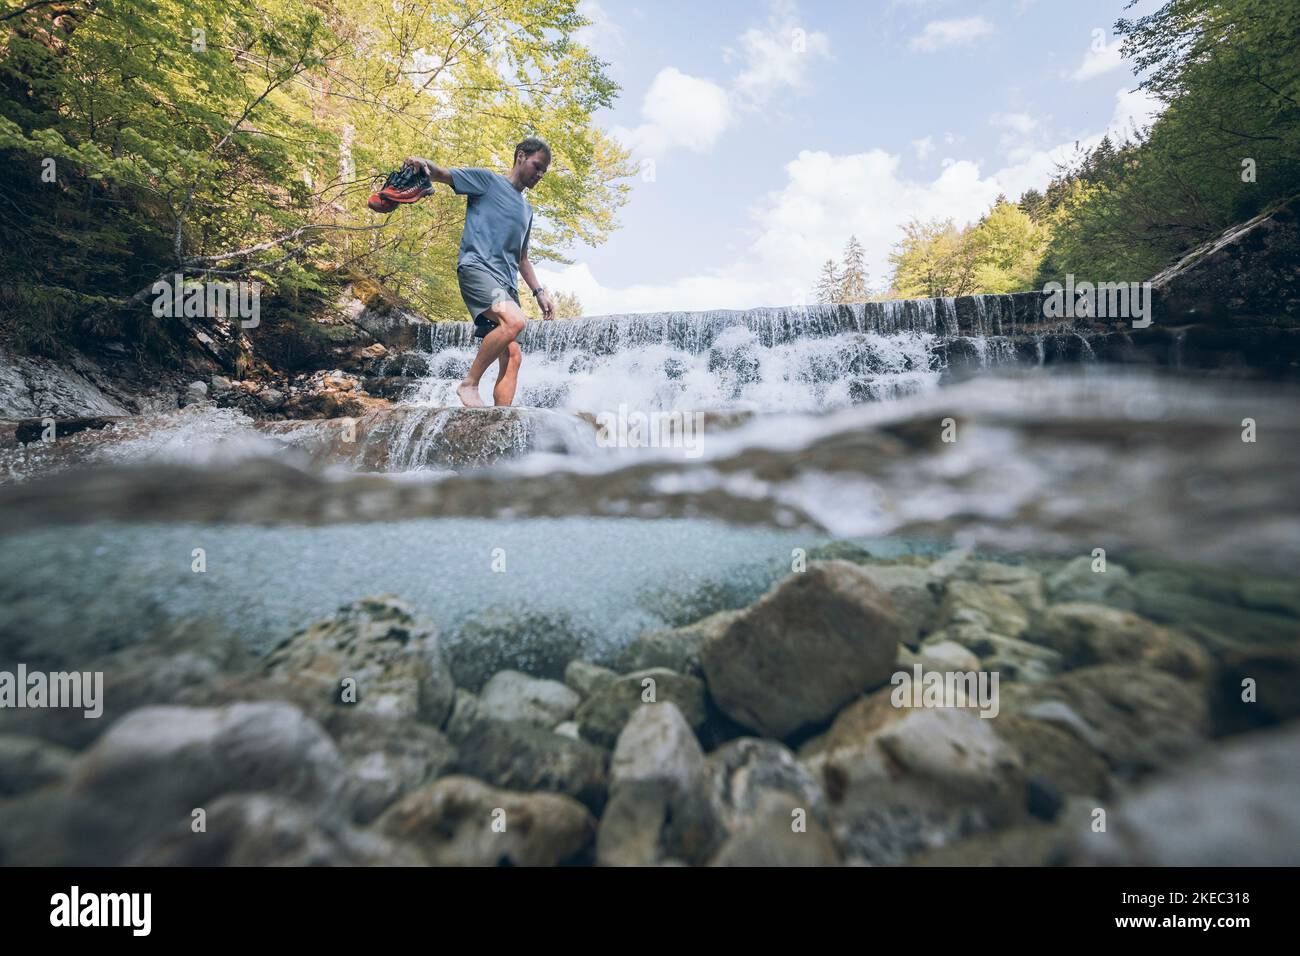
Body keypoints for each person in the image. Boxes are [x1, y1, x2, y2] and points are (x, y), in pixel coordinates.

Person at [404, 137, 555, 407]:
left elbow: (522, 258)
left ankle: (500, 420)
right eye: (537, 166)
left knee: (513, 356)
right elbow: (443, 175)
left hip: (506, 286)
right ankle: (469, 384)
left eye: (545, 171)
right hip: (479, 270)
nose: (540, 174)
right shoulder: (487, 181)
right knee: (515, 321)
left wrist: (539, 292)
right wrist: (422, 164)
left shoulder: (527, 210)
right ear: (521, 156)